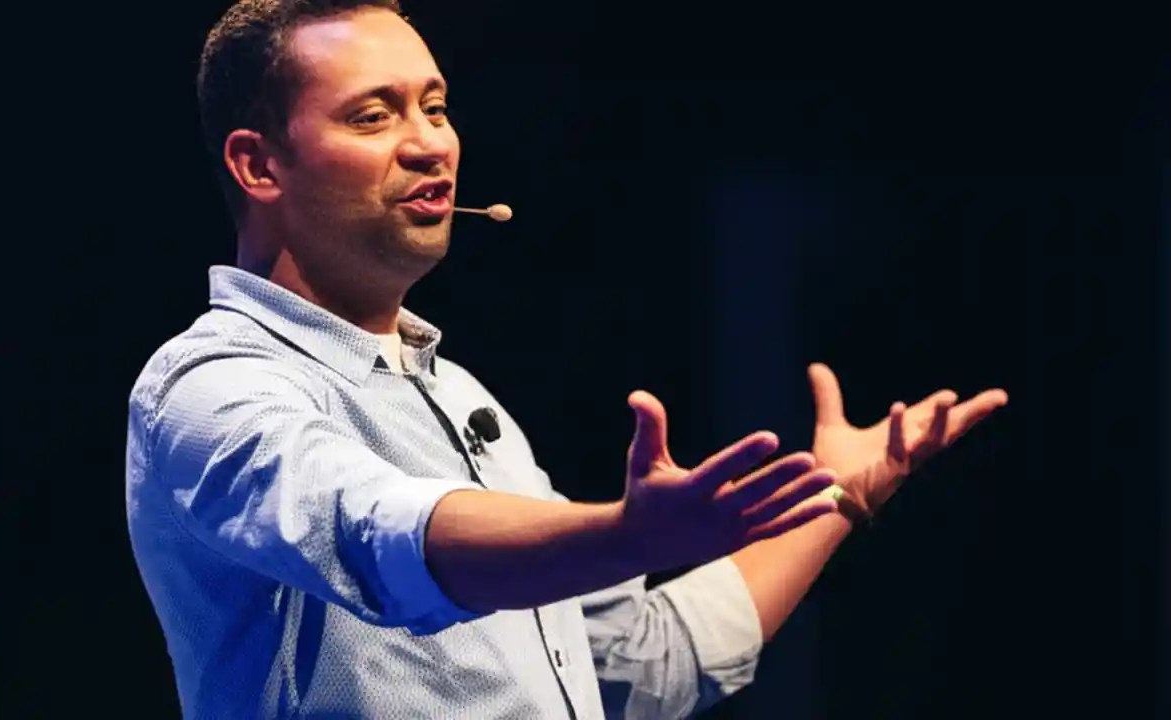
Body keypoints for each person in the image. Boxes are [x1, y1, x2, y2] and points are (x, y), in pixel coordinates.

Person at [124, 2, 1009, 718]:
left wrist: (837, 496)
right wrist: (624, 534)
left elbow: (644, 664)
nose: (432, 141)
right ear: (258, 165)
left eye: (435, 105)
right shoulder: (212, 386)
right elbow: (369, 530)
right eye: (373, 114)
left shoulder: (460, 398)